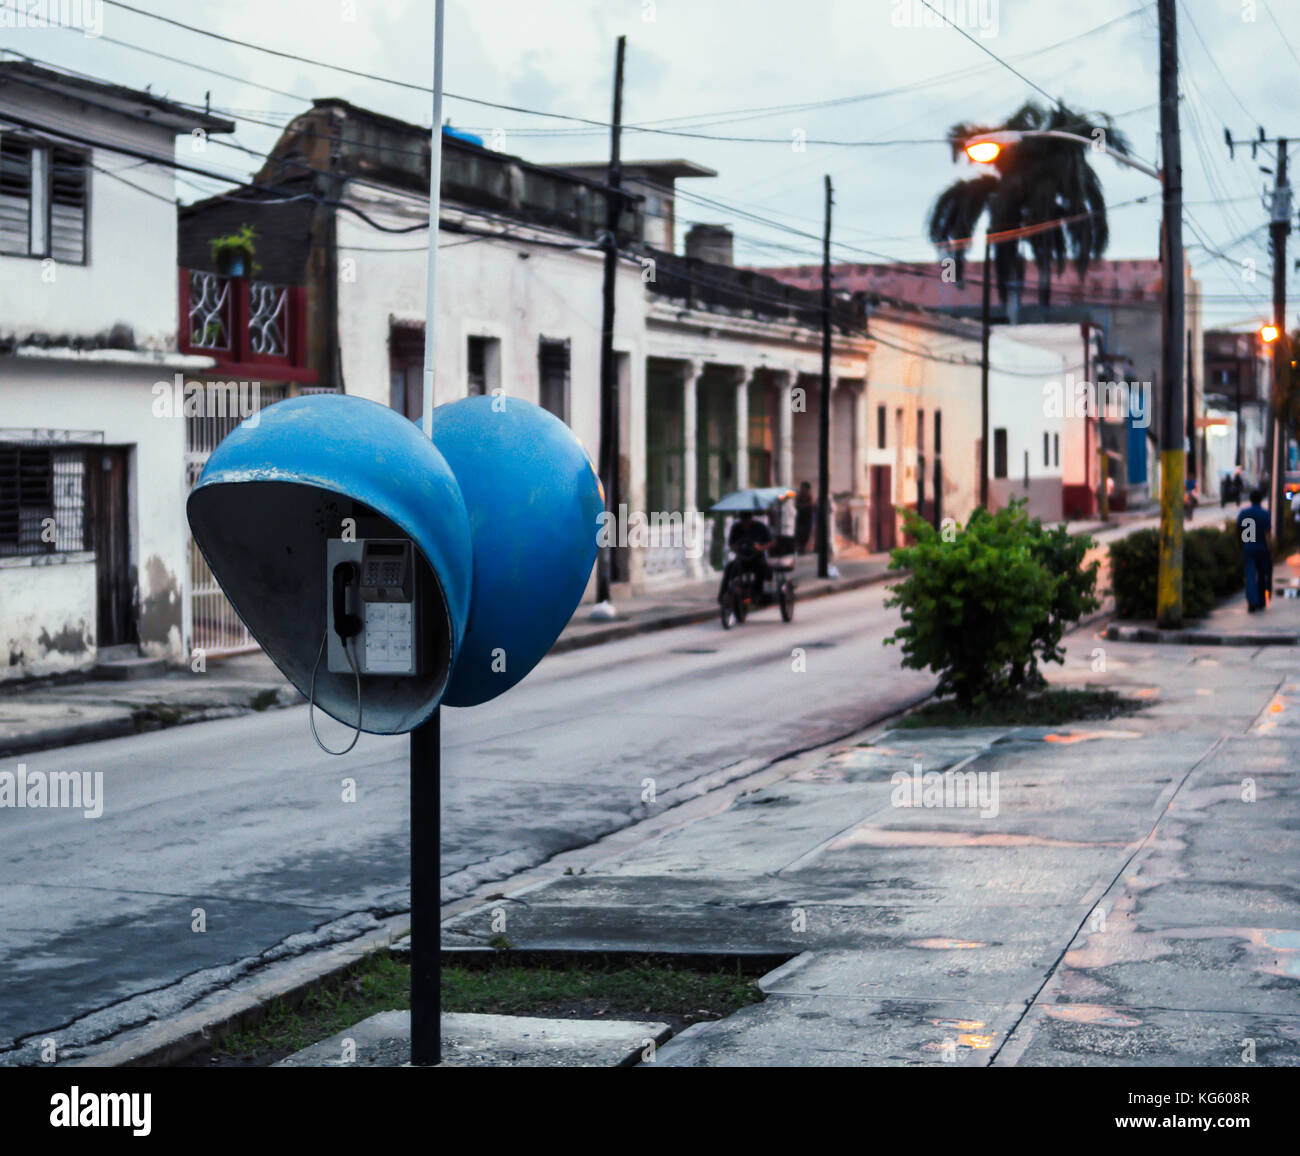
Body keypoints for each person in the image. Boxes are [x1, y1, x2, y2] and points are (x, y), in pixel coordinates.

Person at [718, 511, 773, 602]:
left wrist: (760, 547)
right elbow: (731, 543)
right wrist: (735, 547)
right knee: (729, 569)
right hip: (741, 559)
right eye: (743, 517)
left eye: (747, 517)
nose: (745, 520)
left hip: (756, 558)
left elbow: (771, 542)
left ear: (751, 517)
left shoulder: (760, 527)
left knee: (761, 569)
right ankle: (723, 595)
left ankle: (757, 593)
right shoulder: (736, 528)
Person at [1238, 488, 1272, 612]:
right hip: (1262, 548)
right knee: (1262, 574)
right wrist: (1269, 549)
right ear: (1261, 500)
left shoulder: (1244, 513)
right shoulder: (1265, 514)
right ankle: (1261, 601)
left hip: (1248, 547)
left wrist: (1241, 545)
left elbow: (1240, 531)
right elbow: (1267, 533)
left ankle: (1252, 600)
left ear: (1250, 499)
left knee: (1250, 575)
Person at [794, 481, 815, 555]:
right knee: (799, 533)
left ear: (807, 489)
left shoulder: (810, 496)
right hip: (800, 518)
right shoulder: (799, 496)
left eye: (803, 488)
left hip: (808, 518)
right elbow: (797, 505)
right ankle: (800, 548)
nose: (801, 489)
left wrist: (802, 506)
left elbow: (811, 505)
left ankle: (804, 548)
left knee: (806, 533)